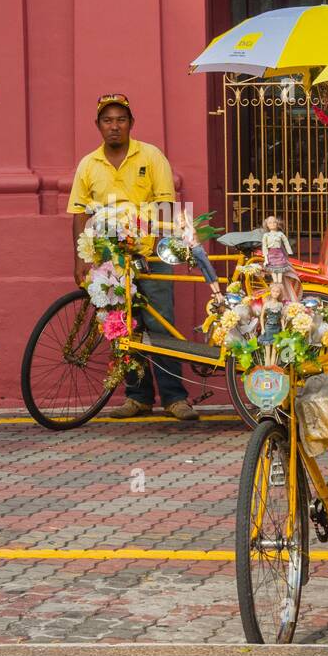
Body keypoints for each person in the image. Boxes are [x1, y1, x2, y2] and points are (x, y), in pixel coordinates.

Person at [68, 93, 197, 421]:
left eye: (121, 120)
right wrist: (80, 260)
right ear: (98, 125)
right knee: (123, 326)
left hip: (149, 256)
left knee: (160, 323)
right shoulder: (88, 165)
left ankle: (174, 397)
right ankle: (137, 395)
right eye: (108, 120)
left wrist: (160, 249)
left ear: (131, 124)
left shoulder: (151, 156)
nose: (114, 126)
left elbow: (167, 205)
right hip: (110, 262)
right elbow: (80, 213)